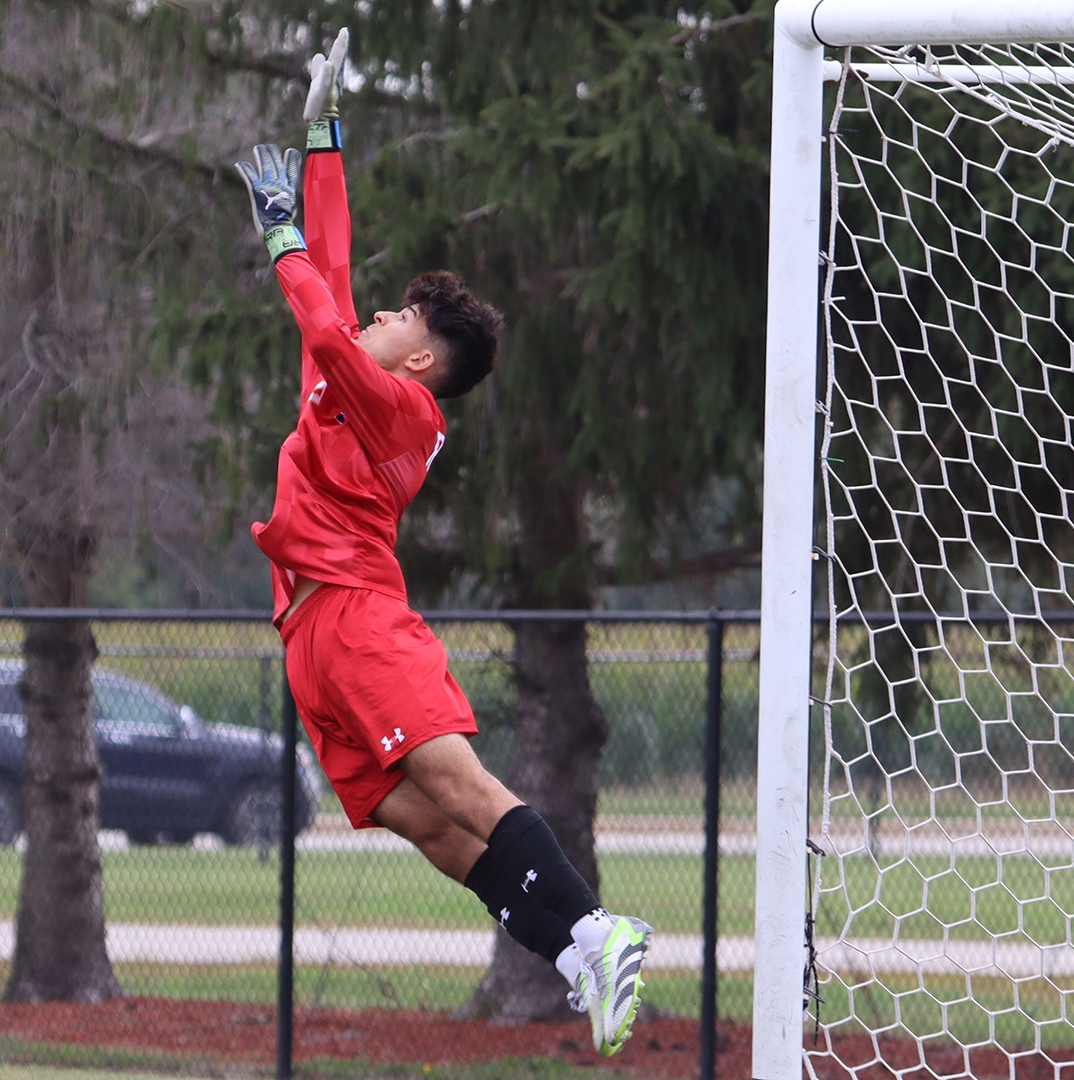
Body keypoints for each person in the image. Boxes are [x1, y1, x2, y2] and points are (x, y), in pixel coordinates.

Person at [233, 30, 652, 1057]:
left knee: (463, 785)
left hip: (362, 622)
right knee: (424, 825)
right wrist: (322, 138)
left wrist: (279, 239)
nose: (374, 312)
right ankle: (571, 951)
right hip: (312, 636)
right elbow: (328, 280)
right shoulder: (342, 390)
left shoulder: (405, 415)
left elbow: (324, 309)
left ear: (418, 356)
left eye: (397, 314)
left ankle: (599, 926)